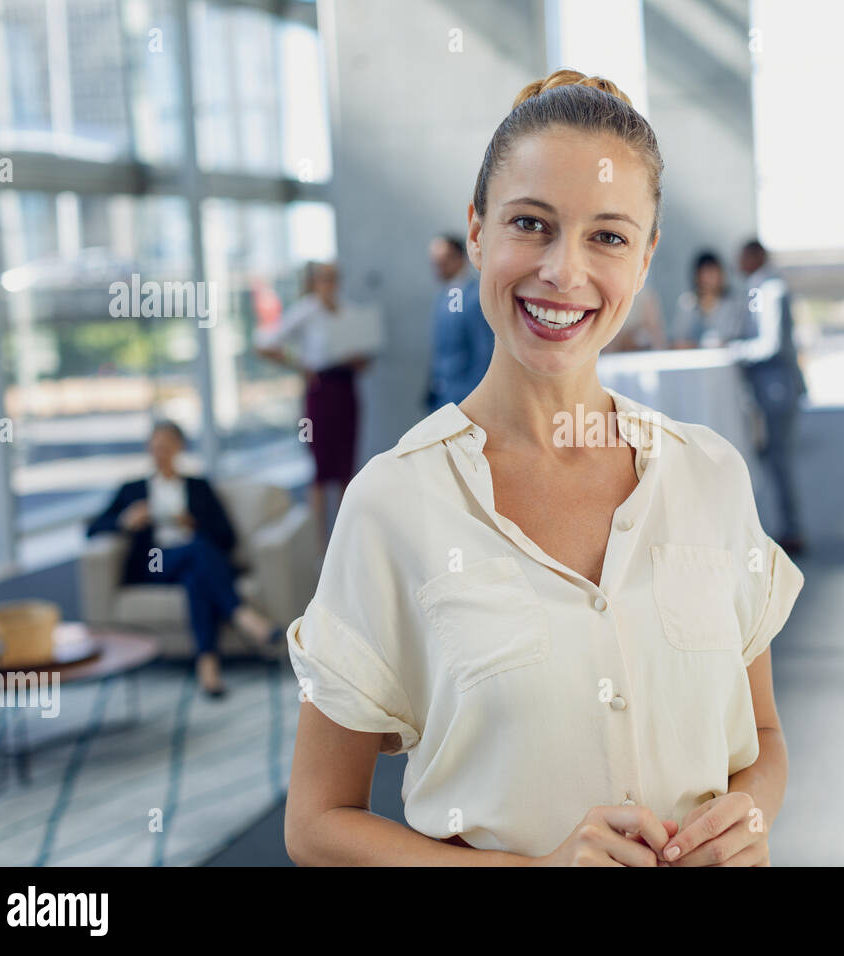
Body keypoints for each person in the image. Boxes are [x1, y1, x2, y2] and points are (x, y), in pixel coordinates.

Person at [283, 70, 805, 867]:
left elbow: (762, 737)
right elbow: (316, 823)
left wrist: (749, 815)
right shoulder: (394, 502)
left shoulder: (710, 476)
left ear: (645, 256)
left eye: (608, 235)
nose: (564, 272)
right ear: (478, 232)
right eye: (532, 224)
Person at [85, 420, 284, 697]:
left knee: (196, 575)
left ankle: (208, 666)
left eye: (166, 447)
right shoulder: (133, 490)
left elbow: (227, 537)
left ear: (179, 448)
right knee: (198, 549)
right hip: (154, 561)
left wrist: (193, 523)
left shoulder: (198, 487)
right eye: (155, 447)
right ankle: (242, 615)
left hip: (193, 561)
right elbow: (92, 527)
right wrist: (126, 520)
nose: (160, 453)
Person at [255, 261, 374, 555]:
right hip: (320, 391)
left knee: (346, 465)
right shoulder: (305, 311)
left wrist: (357, 358)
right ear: (314, 281)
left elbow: (366, 360)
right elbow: (265, 343)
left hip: (346, 388)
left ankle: (346, 541)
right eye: (323, 278)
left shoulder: (349, 311)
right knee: (321, 468)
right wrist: (298, 365)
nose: (328, 284)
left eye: (333, 278)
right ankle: (320, 548)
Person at [726, 239, 808, 557]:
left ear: (756, 256)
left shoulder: (772, 290)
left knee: (779, 461)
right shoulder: (756, 288)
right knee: (768, 460)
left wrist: (735, 351)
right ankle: (779, 527)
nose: (738, 262)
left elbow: (770, 343)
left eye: (742, 256)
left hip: (777, 388)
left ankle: (792, 529)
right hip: (763, 387)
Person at [423, 234, 495, 413]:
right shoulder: (444, 296)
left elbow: (483, 352)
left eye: (443, 261)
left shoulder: (474, 297)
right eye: (435, 262)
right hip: (442, 396)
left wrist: (474, 397)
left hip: (465, 396)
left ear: (458, 258)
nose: (438, 268)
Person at [671, 250, 744, 348]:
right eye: (705, 273)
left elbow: (735, 338)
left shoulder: (733, 304)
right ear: (697, 276)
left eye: (713, 273)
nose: (709, 278)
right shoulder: (687, 303)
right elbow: (678, 339)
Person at [599, 281, 665, 352]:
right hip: (616, 349)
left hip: (641, 350)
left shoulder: (645, 296)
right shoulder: (609, 297)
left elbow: (655, 329)